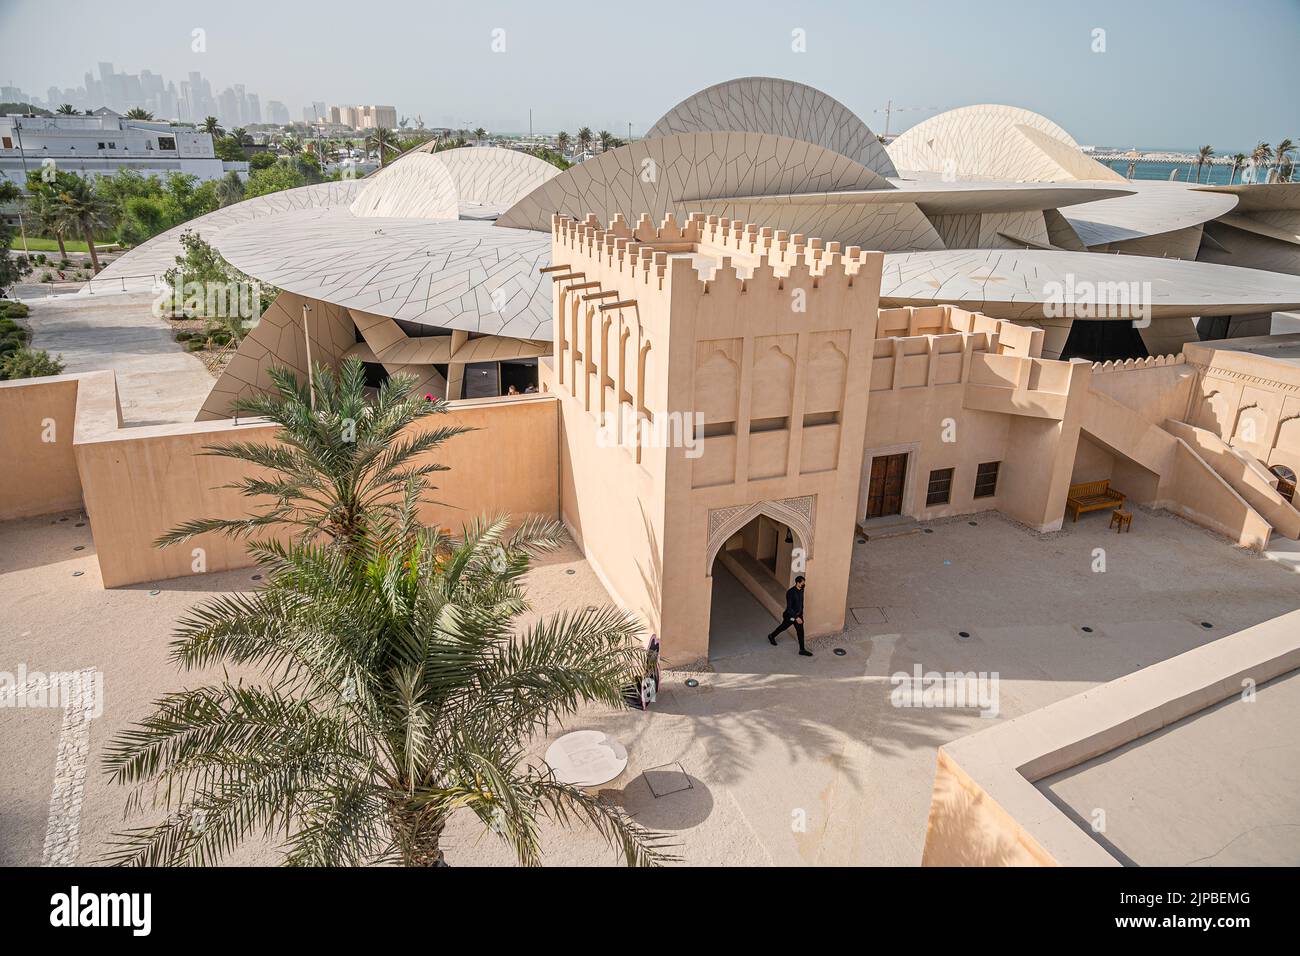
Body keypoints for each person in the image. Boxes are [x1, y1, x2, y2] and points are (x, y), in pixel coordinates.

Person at [768, 575, 812, 656]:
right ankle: (771, 636)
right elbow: (789, 607)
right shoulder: (790, 592)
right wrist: (796, 617)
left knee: (800, 632)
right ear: (798, 583)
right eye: (802, 583)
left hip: (799, 615)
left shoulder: (801, 590)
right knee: (783, 627)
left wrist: (801, 614)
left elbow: (801, 603)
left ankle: (802, 650)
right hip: (790, 616)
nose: (804, 584)